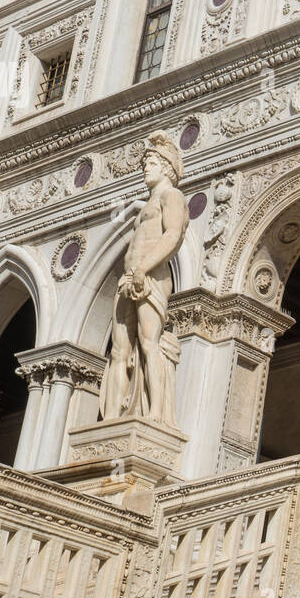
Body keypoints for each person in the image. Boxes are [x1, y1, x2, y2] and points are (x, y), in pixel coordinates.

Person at [99, 131, 187, 427]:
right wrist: (132, 272)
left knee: (149, 344)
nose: (144, 168)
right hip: (129, 278)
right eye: (144, 163)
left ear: (166, 167)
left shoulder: (172, 196)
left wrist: (144, 268)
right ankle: (111, 416)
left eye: (150, 163)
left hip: (151, 278)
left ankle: (155, 415)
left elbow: (173, 236)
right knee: (119, 350)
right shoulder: (144, 207)